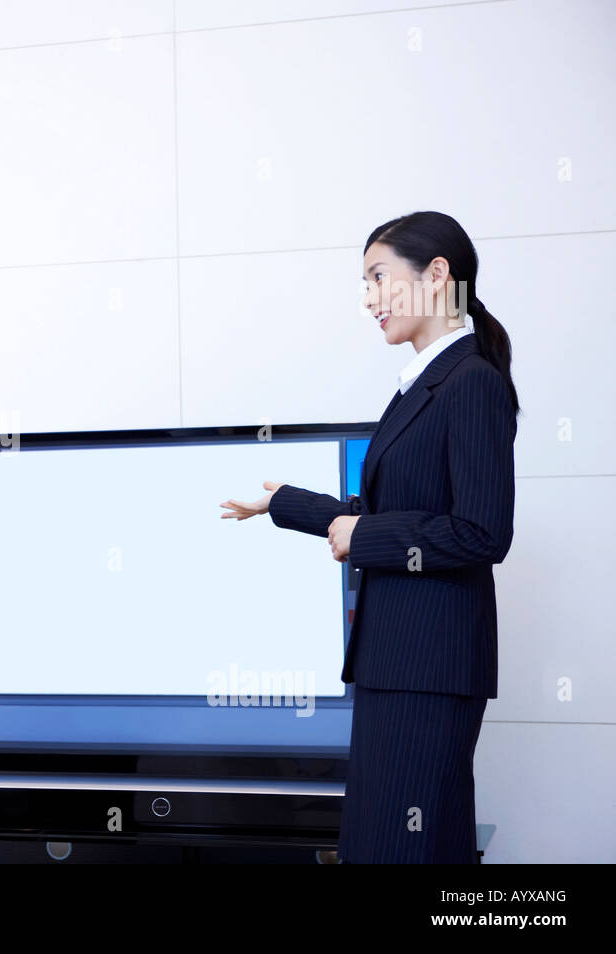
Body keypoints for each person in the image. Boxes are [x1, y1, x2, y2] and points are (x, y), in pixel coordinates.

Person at [220, 210, 519, 863]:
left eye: (378, 277)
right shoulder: (425, 386)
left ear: (437, 275)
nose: (368, 299)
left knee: (397, 850)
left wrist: (368, 537)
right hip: (402, 665)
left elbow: (482, 531)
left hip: (427, 668)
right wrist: (281, 505)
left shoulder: (471, 384)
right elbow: (382, 509)